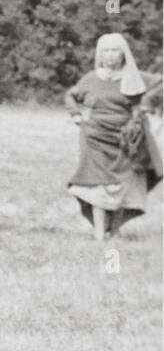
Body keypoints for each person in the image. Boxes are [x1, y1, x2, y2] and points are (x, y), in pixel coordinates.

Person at [65, 33, 162, 238]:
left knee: (120, 186)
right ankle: (100, 235)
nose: (110, 56)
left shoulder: (135, 77)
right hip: (95, 137)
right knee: (97, 185)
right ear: (100, 54)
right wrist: (75, 114)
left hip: (126, 139)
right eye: (106, 51)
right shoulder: (91, 78)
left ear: (123, 53)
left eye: (115, 50)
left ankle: (115, 232)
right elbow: (71, 96)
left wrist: (145, 106)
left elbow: (160, 84)